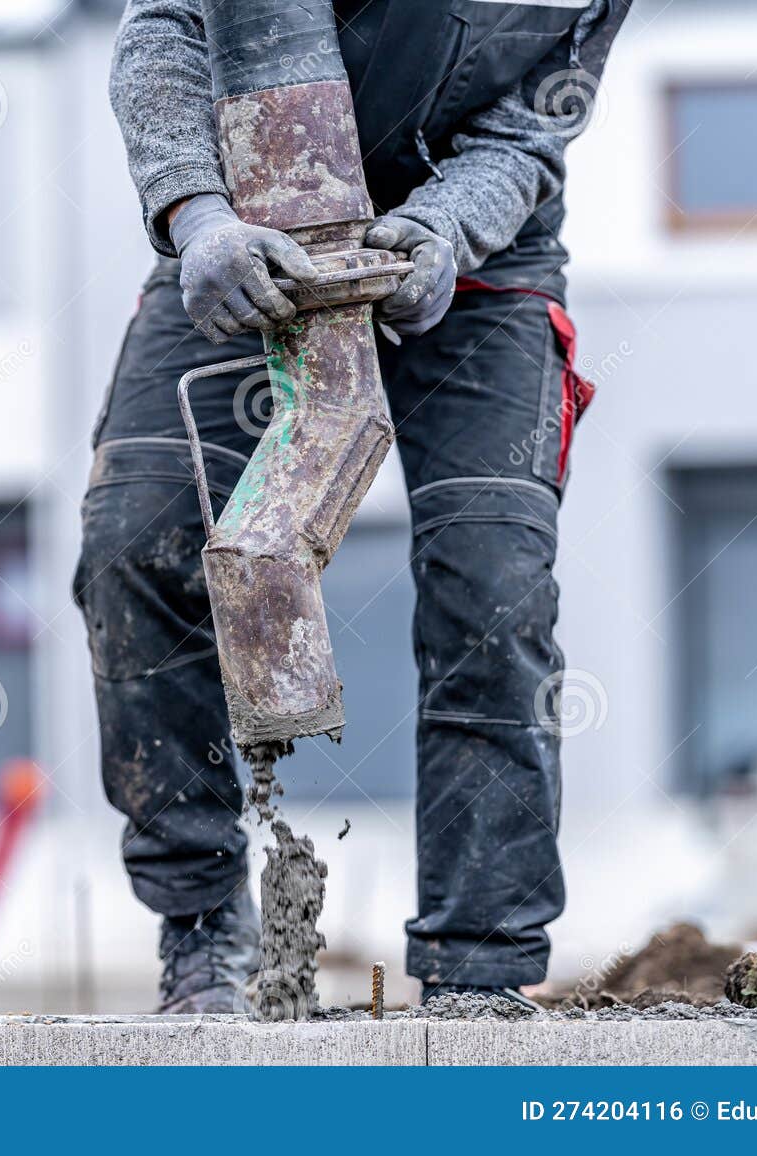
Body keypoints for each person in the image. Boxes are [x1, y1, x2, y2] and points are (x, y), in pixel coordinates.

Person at [75, 0, 632, 1012]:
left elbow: (532, 120)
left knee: (492, 585)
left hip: (475, 265)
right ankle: (202, 928)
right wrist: (194, 217)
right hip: (246, 234)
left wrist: (443, 228)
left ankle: (477, 971)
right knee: (135, 539)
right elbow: (164, 30)